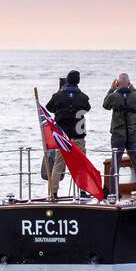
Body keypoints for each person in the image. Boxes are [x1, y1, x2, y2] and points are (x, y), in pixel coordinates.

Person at [44, 71, 91, 199]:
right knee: (81, 164)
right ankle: (82, 191)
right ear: (78, 81)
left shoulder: (58, 96)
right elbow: (87, 108)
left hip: (62, 136)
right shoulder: (83, 97)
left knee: (58, 164)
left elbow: (49, 107)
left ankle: (53, 193)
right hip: (78, 135)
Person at [103, 73, 136, 199]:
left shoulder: (114, 96)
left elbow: (105, 105)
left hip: (118, 133)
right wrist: (133, 89)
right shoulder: (135, 95)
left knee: (115, 164)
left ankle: (113, 193)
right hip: (133, 132)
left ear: (117, 83)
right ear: (129, 83)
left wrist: (112, 89)